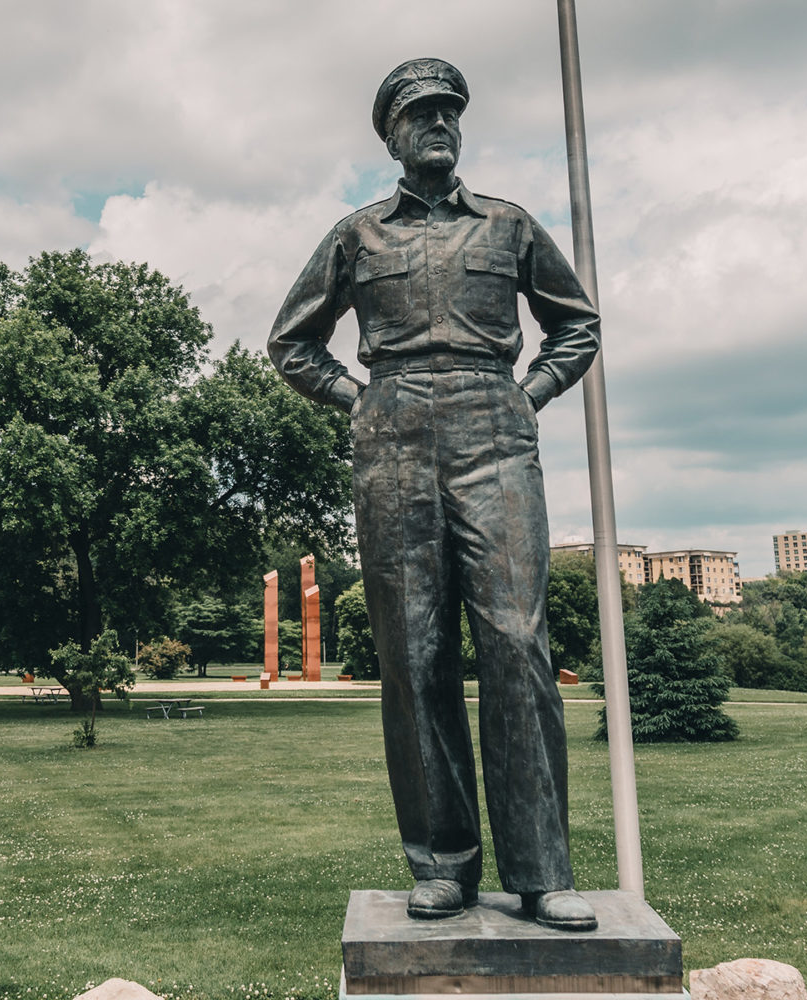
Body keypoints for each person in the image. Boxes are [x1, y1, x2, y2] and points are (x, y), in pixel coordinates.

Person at [268, 58, 600, 931]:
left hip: (496, 428)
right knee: (414, 658)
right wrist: (358, 400)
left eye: (450, 110)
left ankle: (541, 872)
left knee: (518, 643)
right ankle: (442, 864)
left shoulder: (510, 225)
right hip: (394, 435)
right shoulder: (358, 237)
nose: (440, 122)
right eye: (421, 113)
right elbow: (292, 342)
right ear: (392, 135)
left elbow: (577, 323)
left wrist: (530, 393)